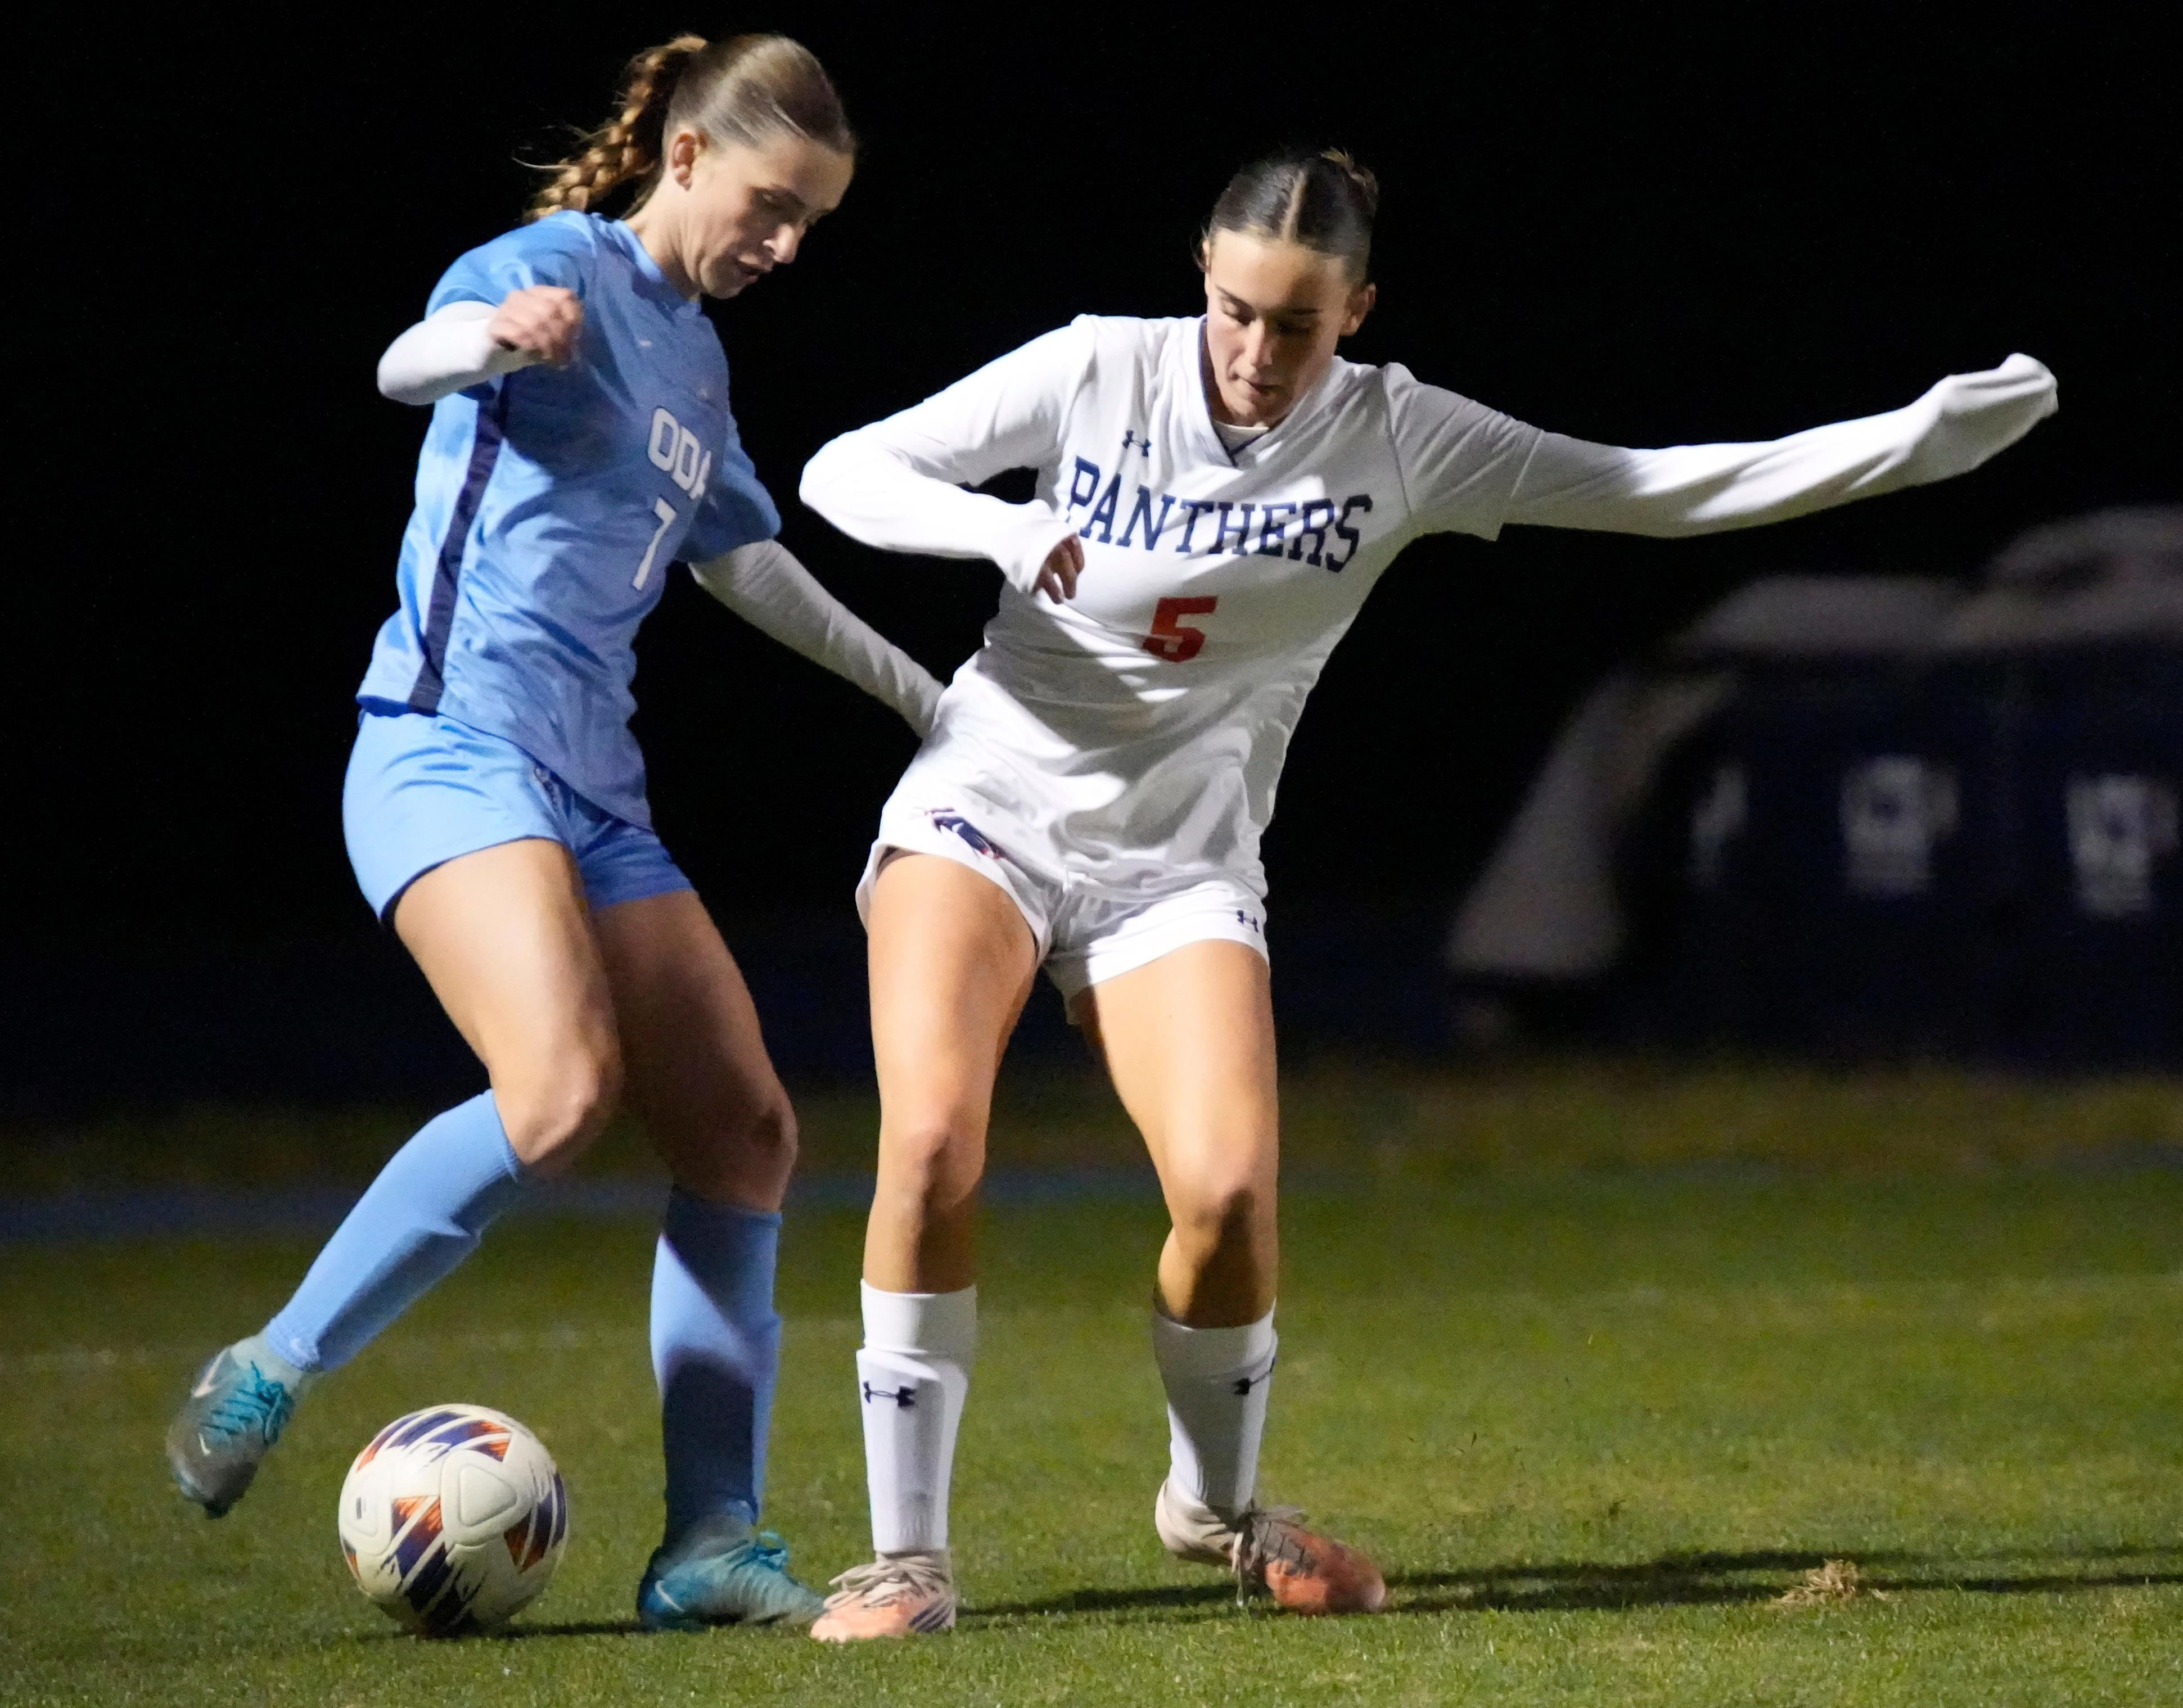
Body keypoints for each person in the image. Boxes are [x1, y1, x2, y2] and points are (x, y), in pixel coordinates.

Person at [791, 146, 2058, 1638]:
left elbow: (1651, 491)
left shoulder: (1400, 437)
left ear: (1359, 310)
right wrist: (999, 527)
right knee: (933, 1140)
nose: (1258, 353)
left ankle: (1208, 1506)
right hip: (985, 802)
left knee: (1227, 1198)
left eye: (1299, 323)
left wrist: (1906, 445)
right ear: (1199, 276)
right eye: (1236, 311)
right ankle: (908, 1560)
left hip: (1179, 862)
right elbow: (841, 470)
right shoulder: (1091, 372)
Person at [164, 33, 938, 1632]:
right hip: (446, 753)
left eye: (811, 228)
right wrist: (489, 342)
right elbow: (405, 361)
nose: (782, 249)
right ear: (682, 153)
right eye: (770, 208)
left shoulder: (700, 364)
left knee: (746, 1134)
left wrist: (925, 701)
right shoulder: (553, 267)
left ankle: (708, 1542)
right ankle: (267, 1370)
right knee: (564, 1089)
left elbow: (746, 562)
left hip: (594, 793)